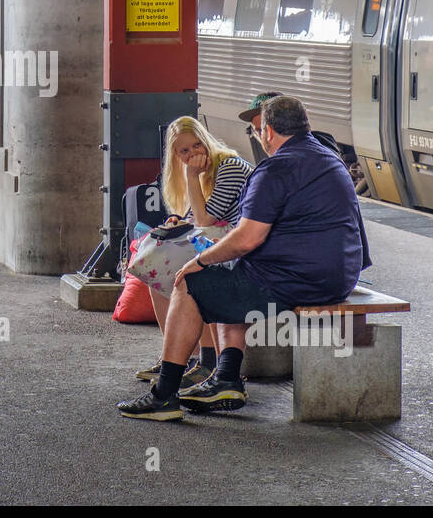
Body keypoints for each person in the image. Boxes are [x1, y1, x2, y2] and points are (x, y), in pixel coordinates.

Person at [116, 95, 365, 421]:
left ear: (269, 132)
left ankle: (163, 396)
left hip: (298, 279)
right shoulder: (330, 159)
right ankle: (226, 379)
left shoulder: (275, 169)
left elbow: (248, 238)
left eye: (260, 129)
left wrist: (200, 262)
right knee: (229, 275)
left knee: (190, 283)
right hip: (339, 276)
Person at [134, 116, 253, 391]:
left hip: (238, 246)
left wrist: (190, 177)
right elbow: (194, 218)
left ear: (206, 140)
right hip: (221, 241)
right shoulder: (205, 172)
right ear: (175, 155)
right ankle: (178, 358)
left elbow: (205, 221)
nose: (193, 154)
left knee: (185, 276)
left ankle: (206, 361)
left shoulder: (229, 166)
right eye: (184, 151)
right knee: (153, 271)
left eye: (197, 145)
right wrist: (177, 221)